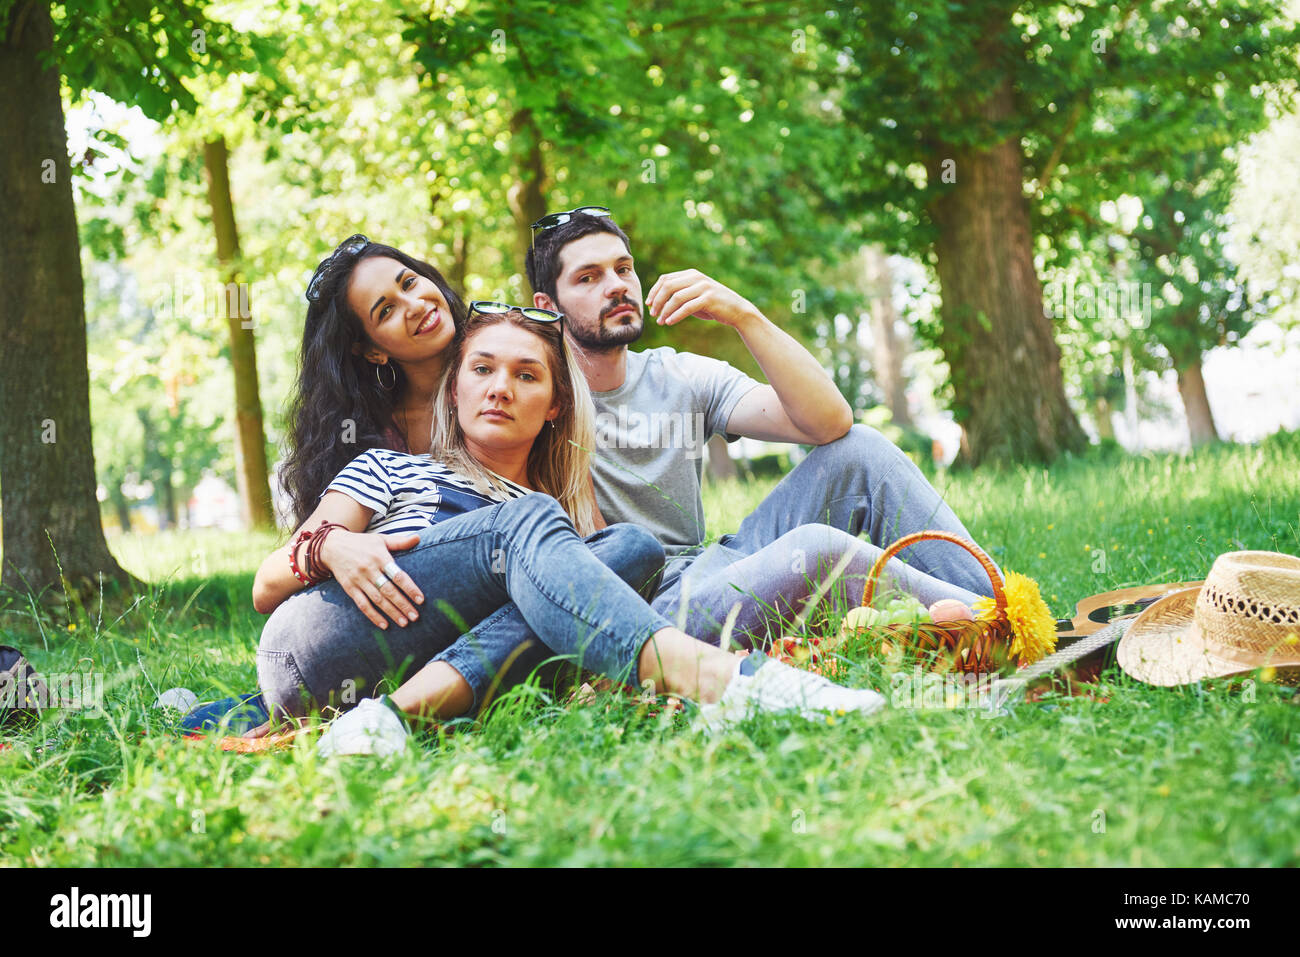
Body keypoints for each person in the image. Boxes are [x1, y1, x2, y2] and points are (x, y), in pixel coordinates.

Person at [254, 300, 887, 755]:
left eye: (526, 375)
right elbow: (266, 585)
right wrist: (334, 545)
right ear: (453, 392)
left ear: (555, 405)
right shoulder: (391, 469)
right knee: (534, 522)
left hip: (403, 678)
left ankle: (391, 720)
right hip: (317, 645)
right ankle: (722, 680)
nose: (500, 388)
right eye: (481, 370)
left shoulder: (555, 518)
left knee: (631, 548)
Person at [522, 206, 998, 643]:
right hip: (652, 613)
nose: (617, 285)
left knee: (862, 449)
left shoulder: (679, 374)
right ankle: (998, 626)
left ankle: (1001, 604)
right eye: (588, 277)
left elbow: (828, 423)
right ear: (547, 304)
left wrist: (743, 316)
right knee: (816, 550)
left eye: (623, 269)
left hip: (715, 568)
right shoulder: (532, 398)